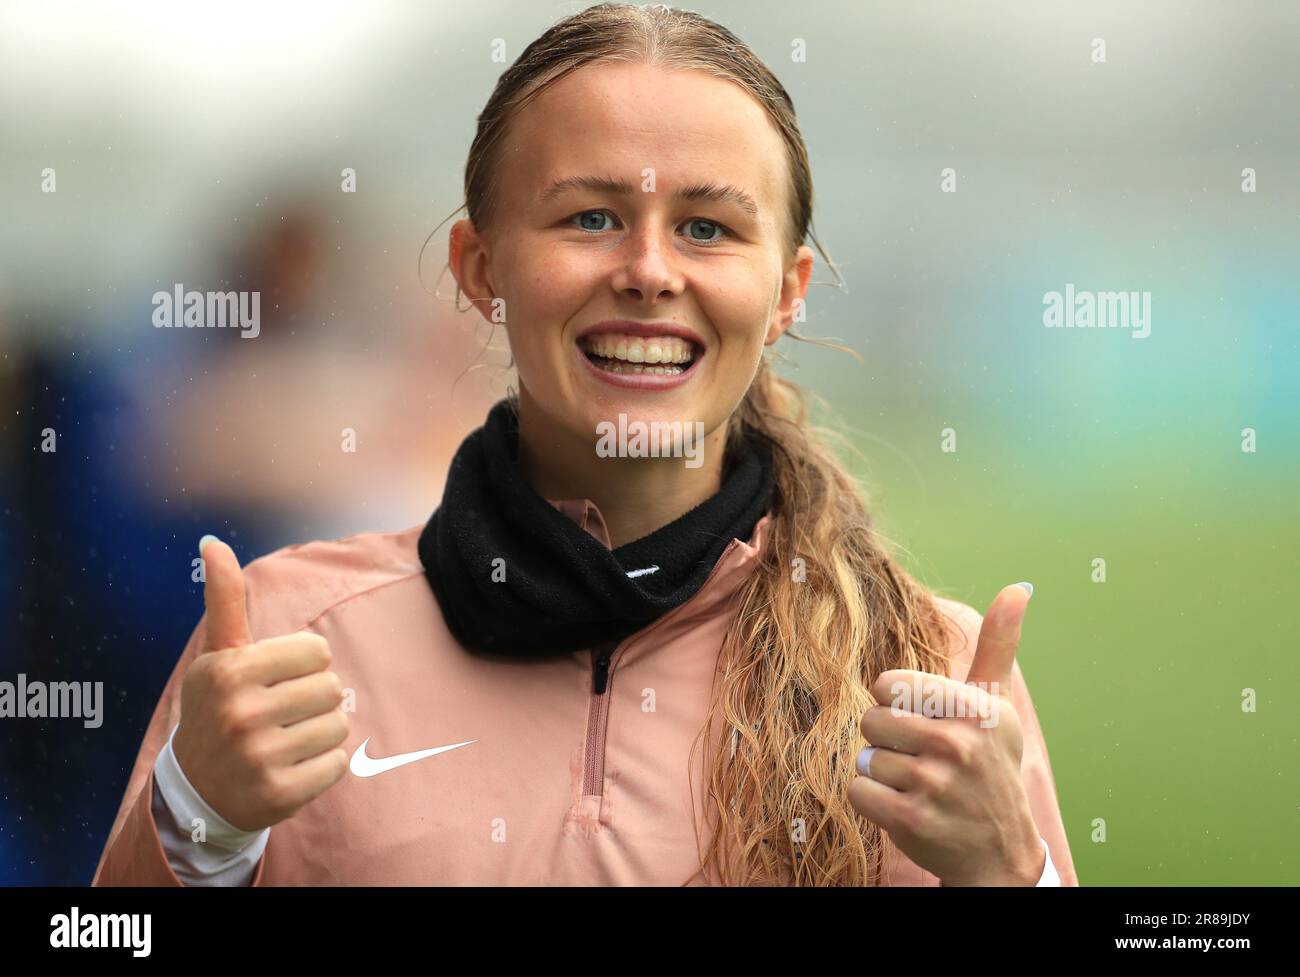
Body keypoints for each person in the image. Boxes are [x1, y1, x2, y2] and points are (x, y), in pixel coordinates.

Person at [92, 2, 1076, 887]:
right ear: (482, 270)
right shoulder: (282, 636)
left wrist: (1006, 872)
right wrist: (197, 822)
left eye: (706, 226)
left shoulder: (926, 674)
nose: (649, 270)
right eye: (592, 217)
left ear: (786, 291)